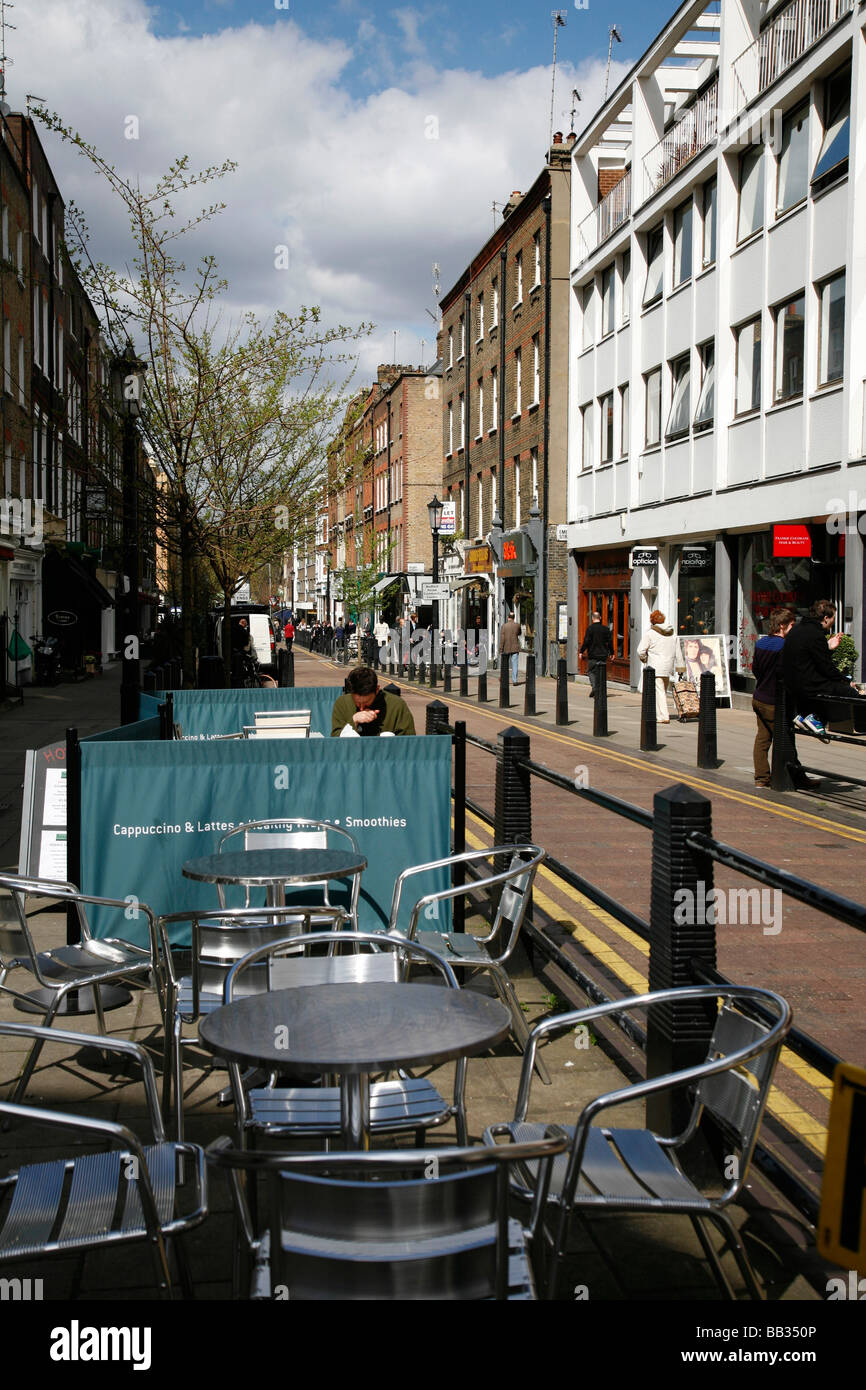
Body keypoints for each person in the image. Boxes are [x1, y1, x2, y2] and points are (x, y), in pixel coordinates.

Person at [783, 599, 866, 738]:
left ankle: (806, 716)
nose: (834, 620)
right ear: (826, 618)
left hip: (792, 683)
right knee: (850, 693)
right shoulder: (815, 634)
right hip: (808, 684)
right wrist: (845, 680)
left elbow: (809, 656)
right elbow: (826, 666)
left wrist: (828, 647)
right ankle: (818, 719)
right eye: (833, 617)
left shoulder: (797, 629)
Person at [751, 606, 796, 787]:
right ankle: (788, 777)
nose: (793, 628)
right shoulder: (784, 646)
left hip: (759, 697)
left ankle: (761, 778)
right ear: (783, 625)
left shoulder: (761, 643)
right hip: (774, 701)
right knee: (784, 739)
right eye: (792, 625)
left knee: (762, 739)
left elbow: (755, 669)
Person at [331, 666, 416, 737]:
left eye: (366, 702)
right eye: (357, 702)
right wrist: (354, 721)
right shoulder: (342, 704)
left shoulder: (397, 705)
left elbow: (409, 742)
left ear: (377, 690)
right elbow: (335, 741)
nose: (361, 708)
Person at [636, 609, 678, 724]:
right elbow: (677, 651)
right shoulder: (672, 633)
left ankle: (663, 716)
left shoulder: (650, 634)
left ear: (652, 621)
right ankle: (661, 714)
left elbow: (640, 650)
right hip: (668, 667)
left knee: (660, 692)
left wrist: (644, 659)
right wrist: (679, 667)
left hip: (655, 667)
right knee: (662, 691)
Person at [579, 610, 614, 698]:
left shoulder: (590, 629)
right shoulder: (605, 629)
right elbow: (610, 642)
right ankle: (602, 691)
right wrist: (612, 652)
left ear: (592, 618)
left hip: (593, 655)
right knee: (602, 673)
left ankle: (594, 687)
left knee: (591, 671)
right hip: (603, 655)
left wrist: (581, 651)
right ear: (600, 618)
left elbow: (586, 641)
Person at [499, 612, 521, 685]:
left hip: (506, 647)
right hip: (515, 647)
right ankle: (514, 681)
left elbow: (502, 639)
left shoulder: (504, 626)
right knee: (515, 664)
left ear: (508, 617)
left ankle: (504, 678)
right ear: (514, 617)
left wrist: (501, 648)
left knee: (505, 664)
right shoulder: (517, 625)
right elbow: (519, 633)